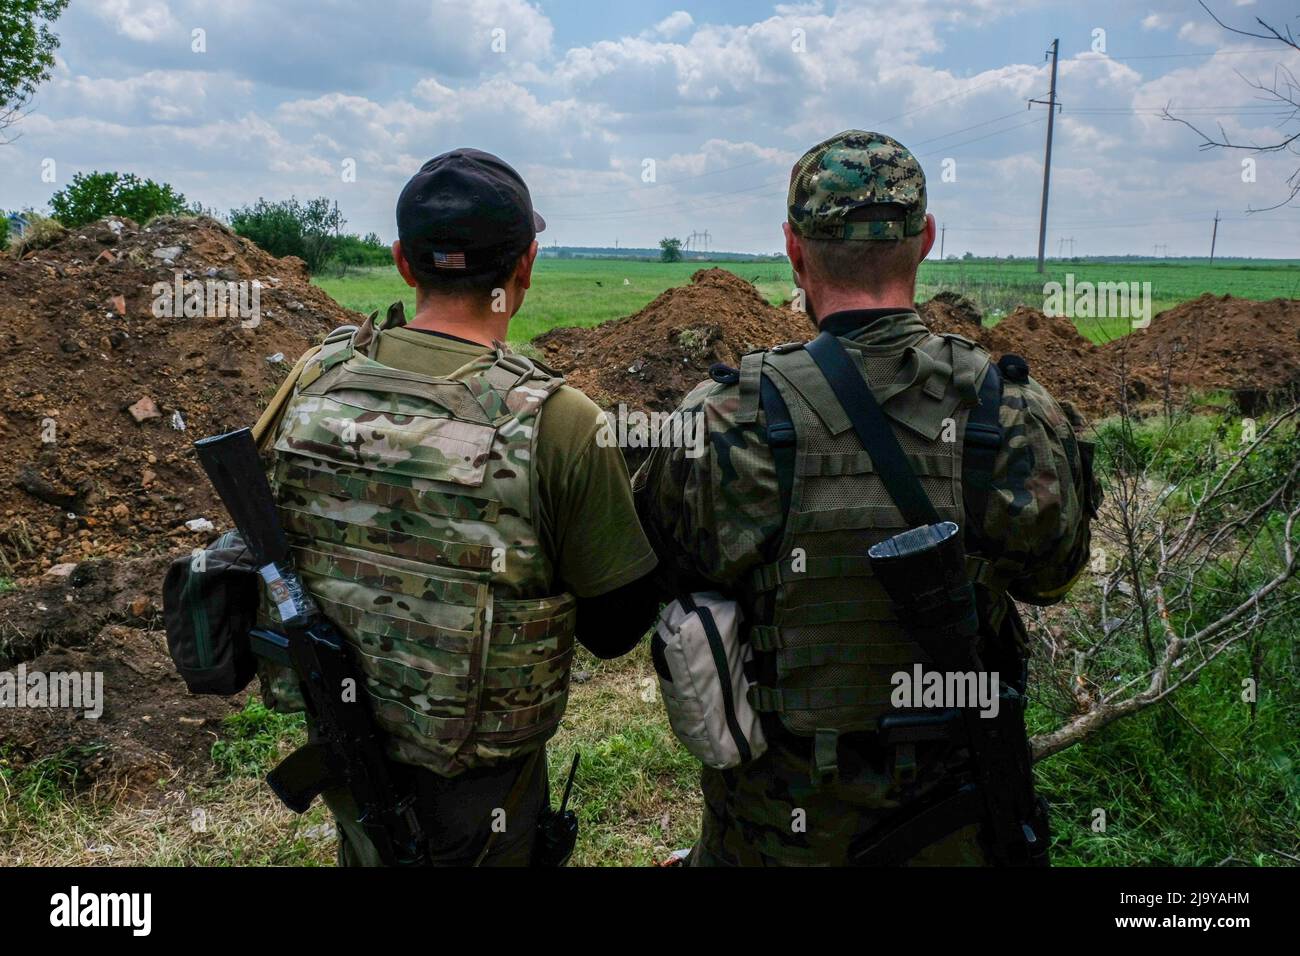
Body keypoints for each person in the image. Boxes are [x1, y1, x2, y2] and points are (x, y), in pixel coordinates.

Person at [634, 130, 1099, 866]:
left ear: (793, 247)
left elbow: (653, 586)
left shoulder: (720, 419)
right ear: (928, 241)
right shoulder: (1010, 410)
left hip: (770, 834)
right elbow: (1055, 577)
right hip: (955, 823)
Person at [254, 148, 659, 865]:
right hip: (485, 791)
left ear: (404, 264)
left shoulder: (314, 378)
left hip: (350, 764)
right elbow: (616, 626)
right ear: (525, 268)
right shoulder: (561, 421)